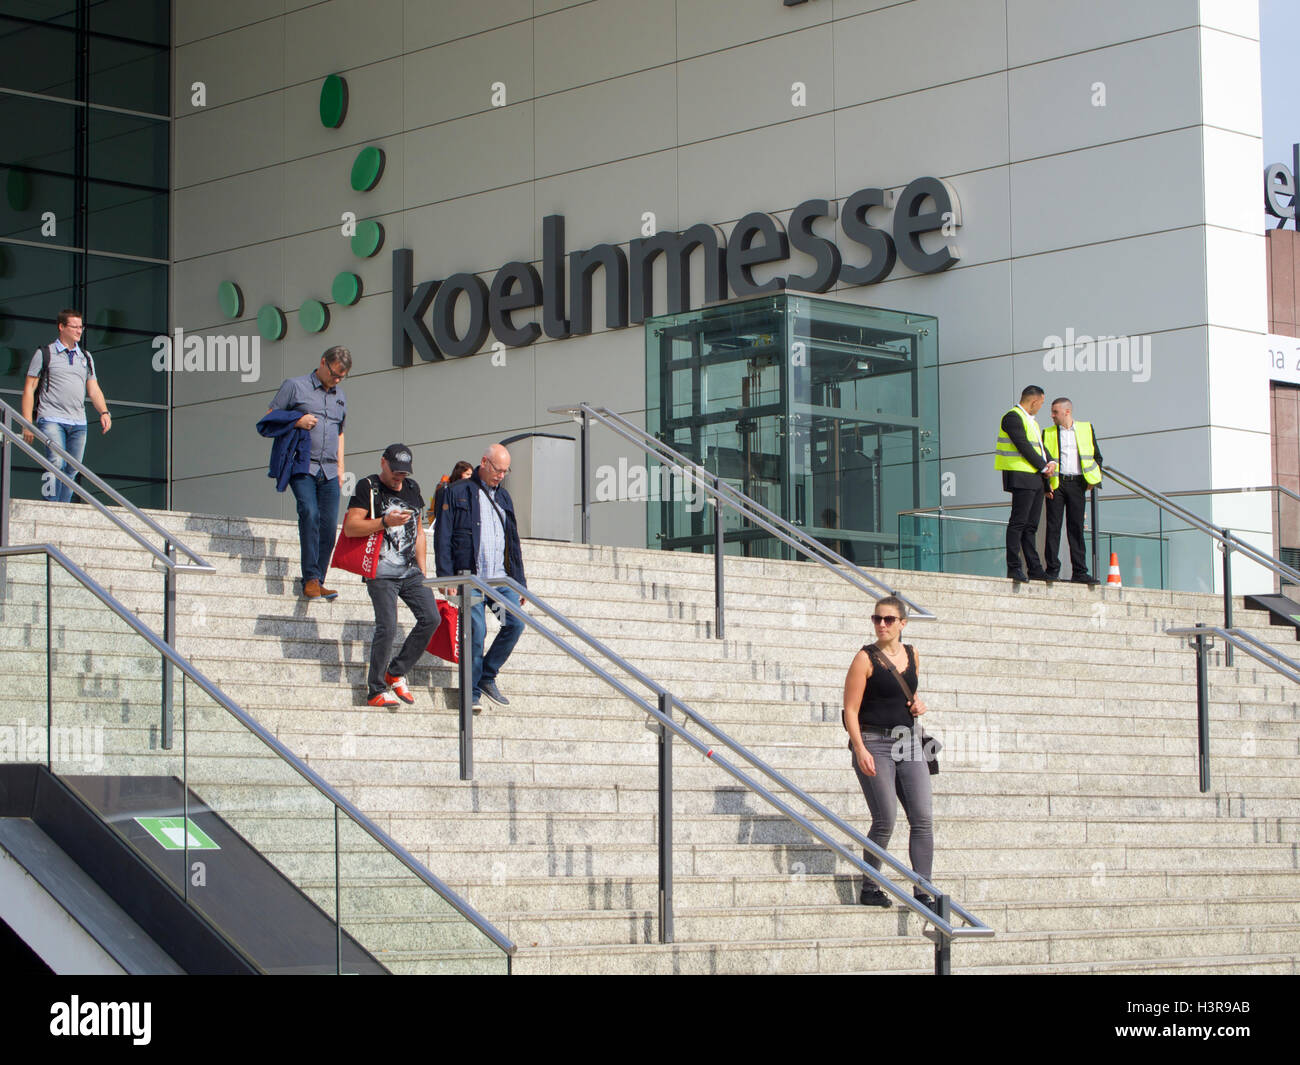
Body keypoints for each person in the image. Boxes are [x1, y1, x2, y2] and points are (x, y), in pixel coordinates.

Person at [842, 596, 936, 910]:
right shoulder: (864, 658)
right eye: (877, 619)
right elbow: (850, 710)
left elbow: (906, 692)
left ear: (902, 624)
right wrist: (860, 749)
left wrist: (918, 703)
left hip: (909, 742)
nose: (881, 625)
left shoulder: (913, 653)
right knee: (885, 819)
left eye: (889, 620)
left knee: (922, 818)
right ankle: (870, 887)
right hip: (874, 742)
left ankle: (923, 891)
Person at [343, 444, 439, 709]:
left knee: (431, 618)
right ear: (383, 463)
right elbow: (351, 527)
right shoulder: (368, 487)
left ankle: (395, 671)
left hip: (410, 571)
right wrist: (385, 522)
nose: (399, 478)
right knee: (388, 626)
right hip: (381, 571)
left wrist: (422, 570)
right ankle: (375, 689)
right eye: (396, 472)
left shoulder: (411, 488)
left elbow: (419, 530)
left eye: (404, 474)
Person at [434, 443, 526, 713]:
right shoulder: (457, 492)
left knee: (515, 624)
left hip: (499, 579)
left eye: (505, 471)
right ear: (484, 462)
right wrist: (446, 578)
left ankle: (486, 675)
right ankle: (470, 692)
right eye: (498, 469)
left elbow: (513, 541)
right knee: (476, 632)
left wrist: (519, 580)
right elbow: (443, 537)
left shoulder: (504, 497)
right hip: (470, 579)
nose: (501, 475)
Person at [267, 347, 350, 600]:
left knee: (328, 526)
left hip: (329, 468)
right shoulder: (295, 386)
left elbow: (339, 432)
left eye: (341, 377)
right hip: (302, 463)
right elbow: (271, 417)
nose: (336, 380)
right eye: (334, 374)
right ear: (323, 362)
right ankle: (310, 578)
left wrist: (341, 467)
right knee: (309, 513)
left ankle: (319, 579)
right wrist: (297, 421)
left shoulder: (340, 396)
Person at [20, 309, 111, 502]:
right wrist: (27, 422)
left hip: (79, 422)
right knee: (55, 462)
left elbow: (94, 389)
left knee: (73, 468)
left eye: (81, 327)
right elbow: (29, 388)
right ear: (61, 327)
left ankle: (62, 507)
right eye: (74, 327)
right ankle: (51, 505)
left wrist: (104, 411)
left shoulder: (85, 357)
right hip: (51, 418)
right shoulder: (45, 353)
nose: (79, 331)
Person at [994, 385, 1057, 583]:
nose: (1041, 408)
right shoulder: (1012, 417)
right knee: (1018, 523)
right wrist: (1044, 466)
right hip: (1022, 477)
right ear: (1034, 401)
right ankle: (1014, 567)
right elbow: (1023, 445)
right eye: (1041, 403)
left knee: (1031, 526)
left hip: (1034, 478)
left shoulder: (1032, 422)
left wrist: (1051, 462)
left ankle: (1035, 569)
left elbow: (1040, 447)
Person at [1042, 397, 1104, 585]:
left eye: (1055, 412)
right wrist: (1046, 486)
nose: (1052, 415)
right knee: (1053, 527)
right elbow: (1041, 462)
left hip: (1078, 484)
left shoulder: (1086, 429)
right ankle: (1052, 570)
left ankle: (1080, 571)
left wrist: (1092, 481)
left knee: (1075, 528)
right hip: (1056, 485)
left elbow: (1097, 457)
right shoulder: (1048, 433)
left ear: (1067, 412)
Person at [428, 460, 472, 524]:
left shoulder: (469, 489)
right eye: (467, 474)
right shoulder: (444, 488)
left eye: (471, 475)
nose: (470, 477)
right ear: (459, 473)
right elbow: (437, 509)